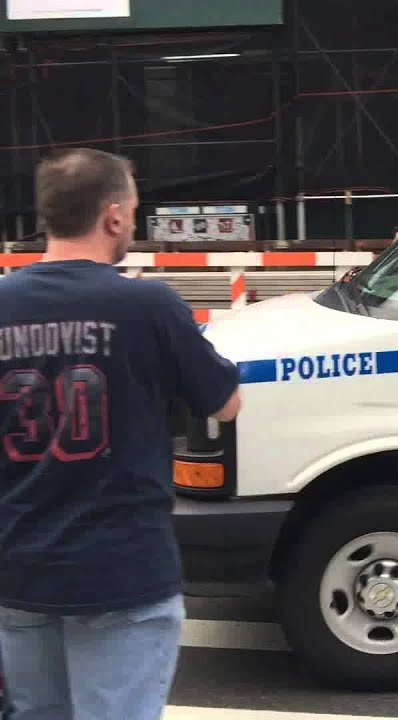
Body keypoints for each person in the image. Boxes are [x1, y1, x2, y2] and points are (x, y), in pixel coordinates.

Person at [0, 148, 242, 720]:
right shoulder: (146, 305)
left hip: (18, 566)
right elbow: (226, 404)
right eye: (132, 211)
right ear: (112, 217)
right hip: (121, 568)